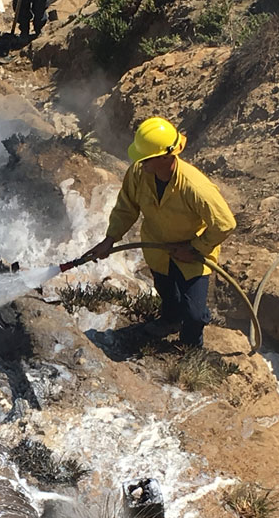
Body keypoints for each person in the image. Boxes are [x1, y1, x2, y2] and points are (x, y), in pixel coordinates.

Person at [83, 117, 236, 348]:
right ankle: (170, 321)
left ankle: (190, 349)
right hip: (158, 248)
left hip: (192, 254)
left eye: (146, 160)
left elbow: (225, 223)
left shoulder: (194, 187)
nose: (140, 163)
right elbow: (127, 207)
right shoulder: (138, 173)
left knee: (194, 313)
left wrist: (195, 248)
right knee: (168, 293)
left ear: (165, 157)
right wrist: (110, 239)